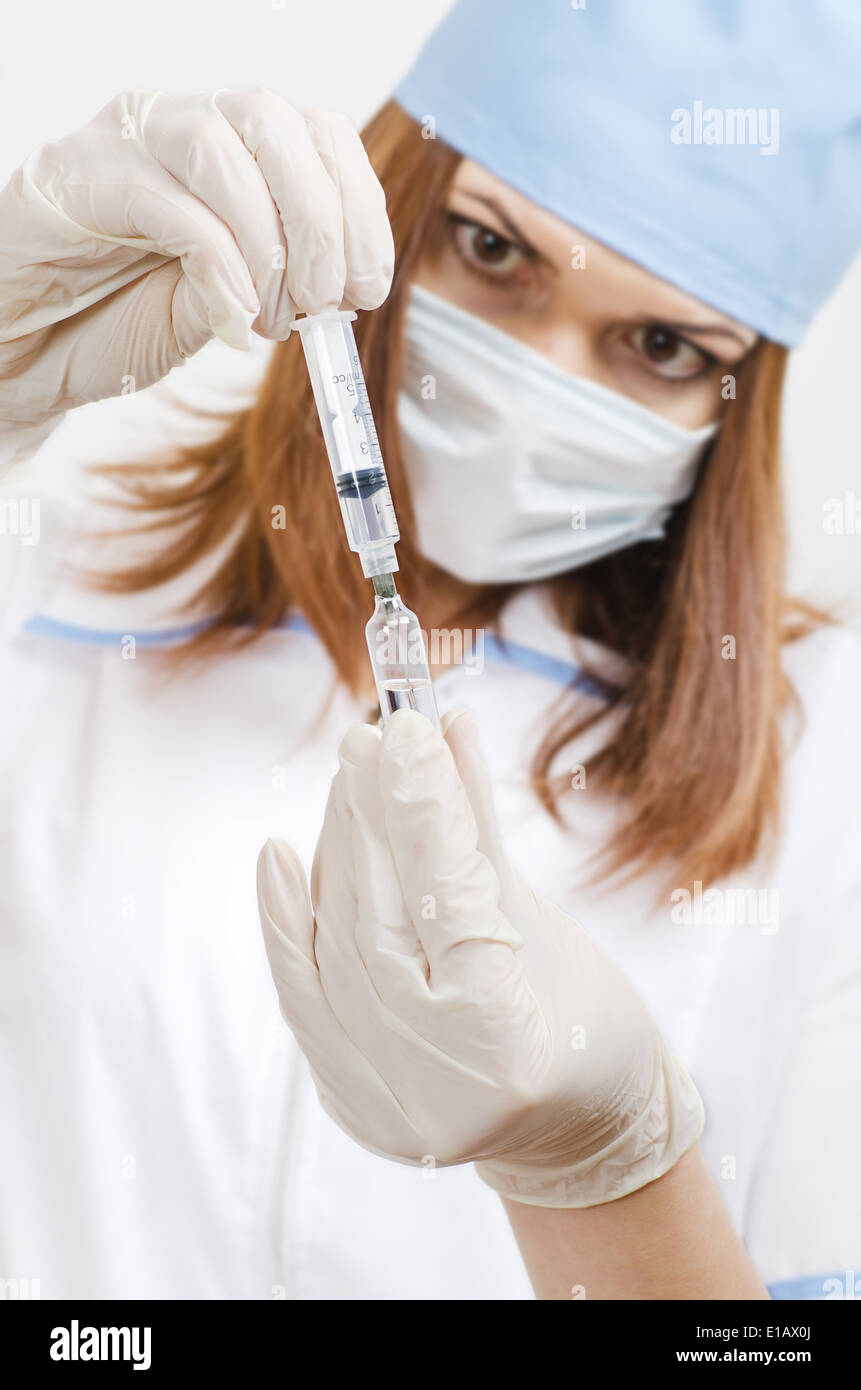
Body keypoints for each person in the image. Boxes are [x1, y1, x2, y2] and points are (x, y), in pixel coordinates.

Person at [1, 0, 860, 1300]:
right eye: (490, 247)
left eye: (664, 344)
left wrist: (607, 1168)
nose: (534, 376)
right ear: (393, 199)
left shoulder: (827, 764)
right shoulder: (46, 593)